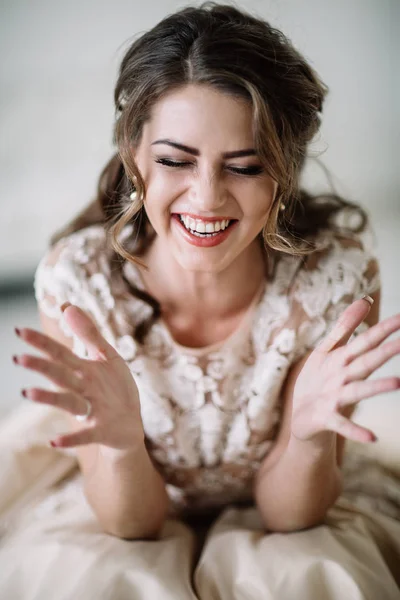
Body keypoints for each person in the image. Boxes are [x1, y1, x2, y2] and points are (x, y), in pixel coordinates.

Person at [2, 3, 400, 599]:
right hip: (129, 500)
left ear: (285, 172)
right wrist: (120, 441)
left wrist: (309, 437)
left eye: (244, 166)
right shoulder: (79, 287)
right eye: (174, 161)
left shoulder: (333, 286)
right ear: (135, 154)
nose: (207, 199)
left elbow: (290, 517)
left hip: (283, 500)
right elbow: (130, 525)